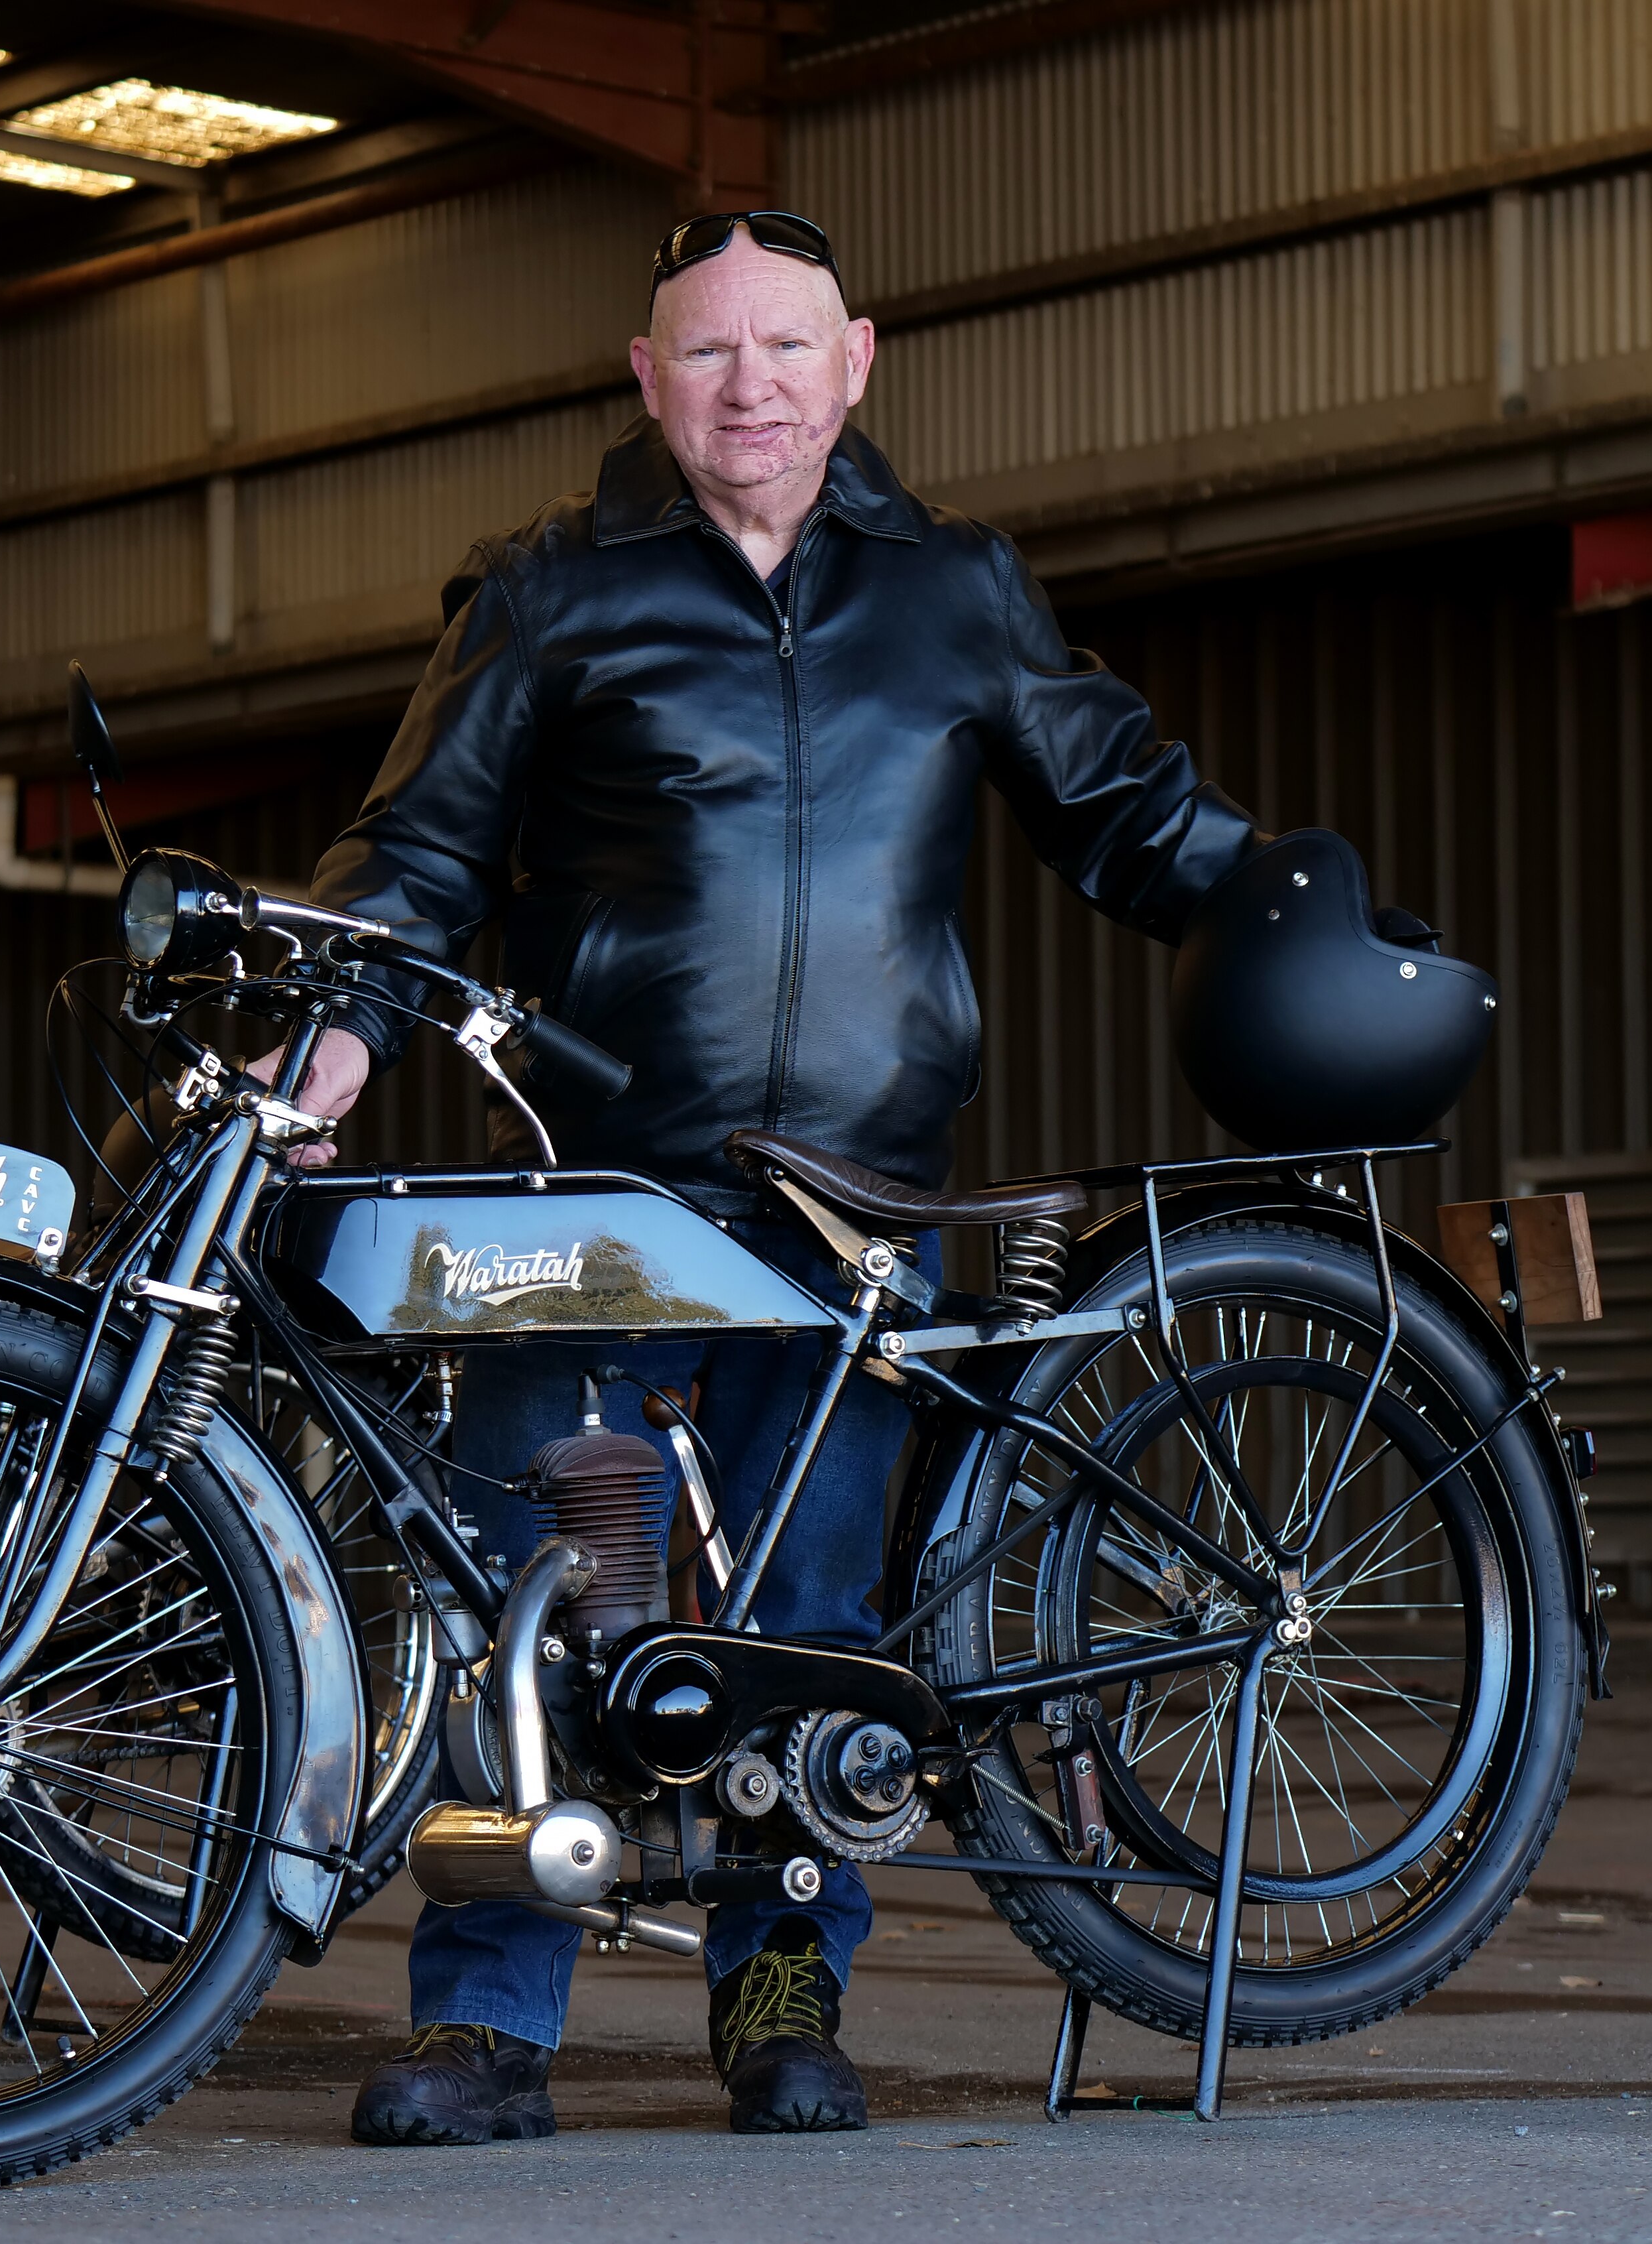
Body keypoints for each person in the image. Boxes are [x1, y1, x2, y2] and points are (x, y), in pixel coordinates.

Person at [280, 210, 1259, 2145]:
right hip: (597, 1187)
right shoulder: (552, 592)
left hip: (862, 1205)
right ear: (647, 380)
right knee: (539, 1604)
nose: (751, 386)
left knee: (814, 1620)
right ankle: (491, 2022)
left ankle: (787, 1996)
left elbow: (1128, 810)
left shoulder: (955, 591)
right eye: (709, 353)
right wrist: (330, 1037)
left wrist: (1296, 910)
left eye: (787, 350)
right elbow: (424, 851)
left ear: (857, 364)